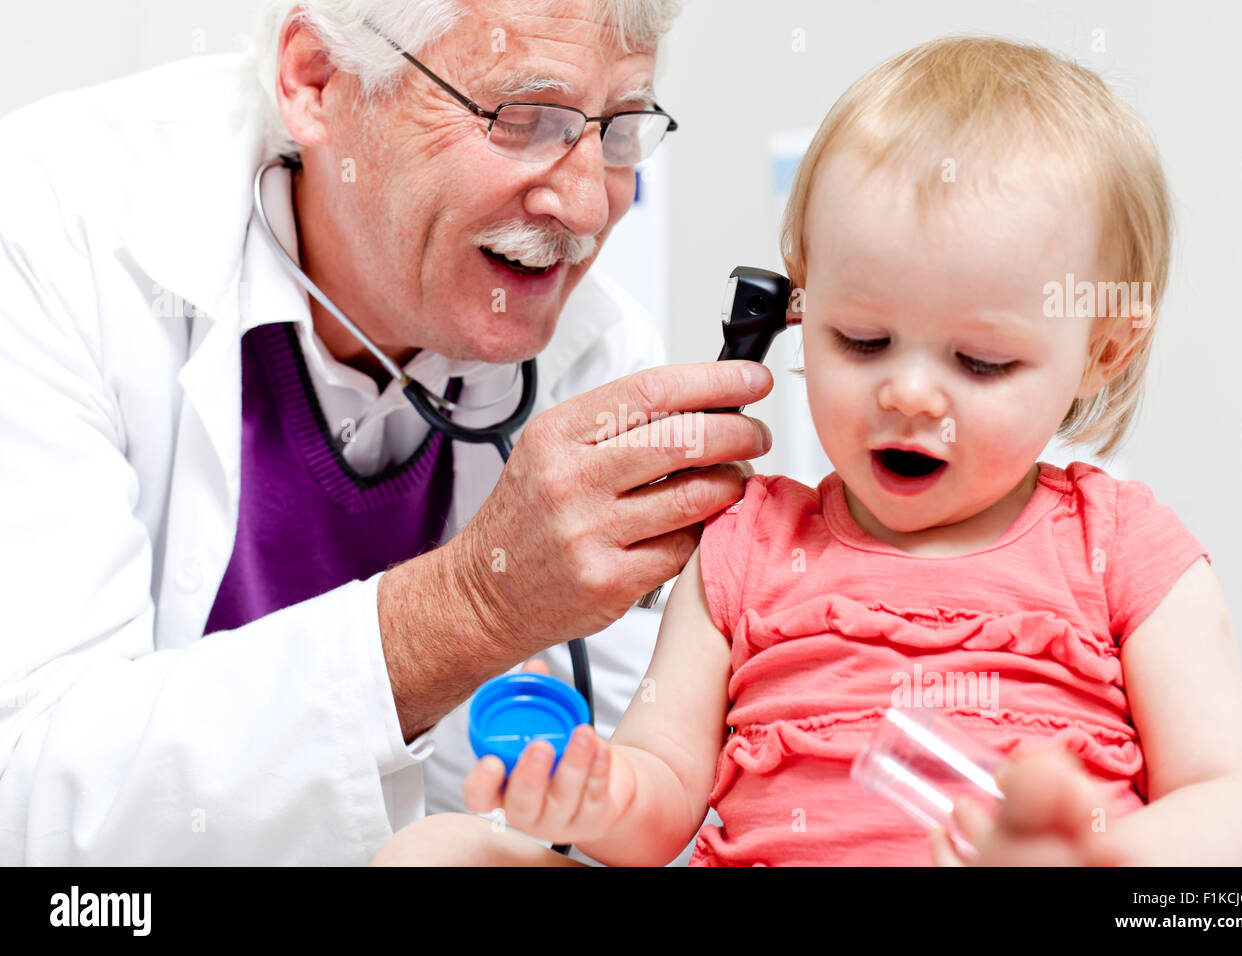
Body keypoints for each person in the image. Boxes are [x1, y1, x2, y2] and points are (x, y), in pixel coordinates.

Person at [373, 36, 1242, 866]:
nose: (908, 392)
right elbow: (662, 797)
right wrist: (595, 792)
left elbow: (1239, 801)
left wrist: (1107, 861)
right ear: (801, 310)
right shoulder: (747, 544)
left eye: (981, 360)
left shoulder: (1119, 547)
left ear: (1103, 352)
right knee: (438, 854)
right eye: (861, 340)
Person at [0, 0, 777, 864]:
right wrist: (475, 604)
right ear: (318, 81)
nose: (590, 207)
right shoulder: (50, 230)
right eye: (521, 118)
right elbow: (29, 794)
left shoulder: (594, 349)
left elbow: (629, 811)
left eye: (621, 128)